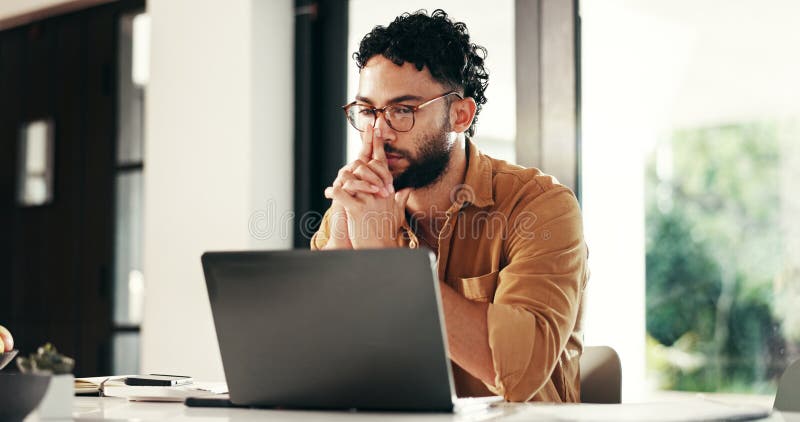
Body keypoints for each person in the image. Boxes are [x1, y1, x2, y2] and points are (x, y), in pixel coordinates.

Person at [310, 9, 588, 402]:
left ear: (460, 115)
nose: (379, 131)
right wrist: (341, 244)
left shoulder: (542, 207)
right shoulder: (355, 208)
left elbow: (515, 373)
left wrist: (389, 262)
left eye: (402, 111)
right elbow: (315, 364)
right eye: (369, 111)